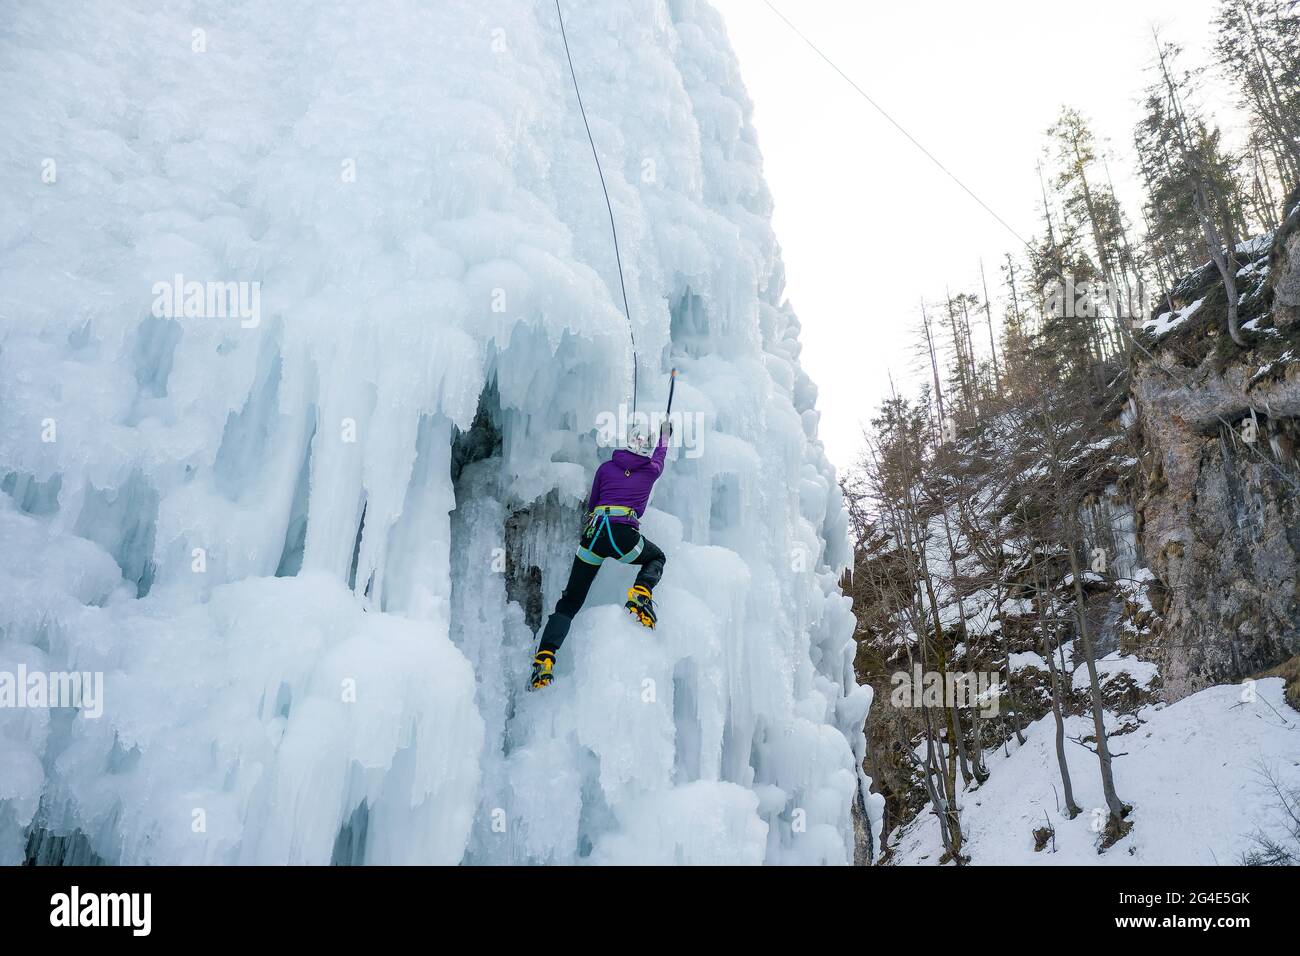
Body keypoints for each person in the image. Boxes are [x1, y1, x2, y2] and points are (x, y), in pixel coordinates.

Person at [529, 419, 672, 690]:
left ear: (628, 441)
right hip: (622, 537)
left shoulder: (606, 468)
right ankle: (641, 592)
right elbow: (660, 457)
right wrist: (665, 436)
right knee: (656, 557)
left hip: (594, 536)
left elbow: (593, 503)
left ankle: (545, 657)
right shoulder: (651, 470)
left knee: (570, 602)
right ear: (648, 448)